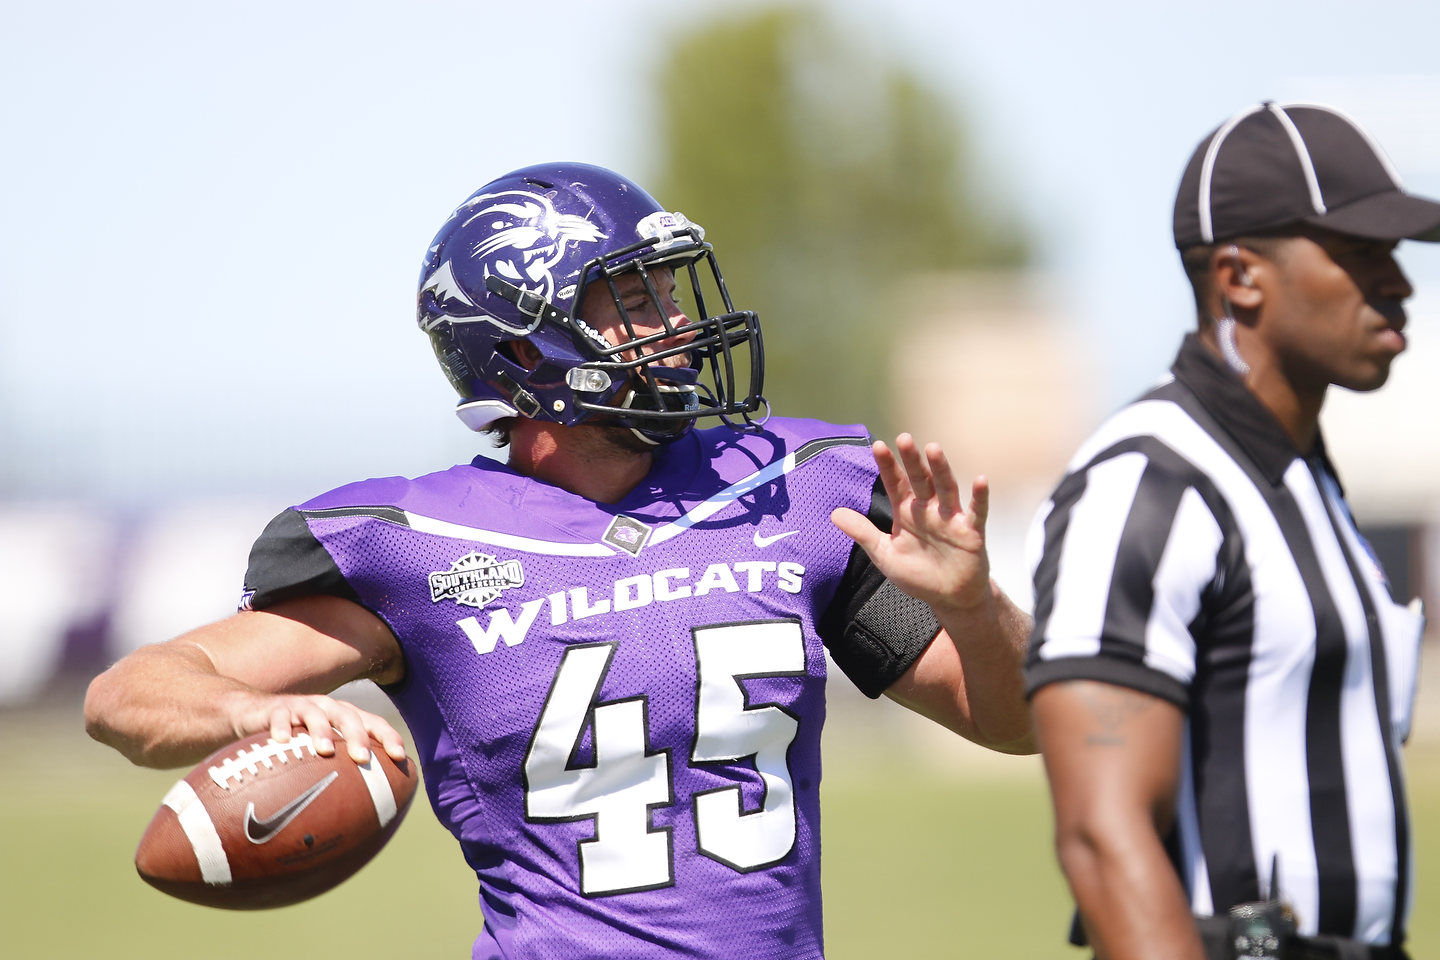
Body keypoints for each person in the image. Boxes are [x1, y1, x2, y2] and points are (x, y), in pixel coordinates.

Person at [85, 162, 1035, 959]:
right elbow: (128, 695)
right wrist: (248, 708)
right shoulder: (412, 547)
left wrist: (975, 606)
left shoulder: (791, 486)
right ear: (521, 350)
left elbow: (1020, 720)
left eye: (666, 289)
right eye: (632, 300)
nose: (672, 322)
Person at [1025, 102, 1438, 960]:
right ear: (1241, 275)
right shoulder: (1150, 480)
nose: (1398, 282)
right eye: (1362, 254)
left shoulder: (1304, 480)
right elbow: (1103, 838)